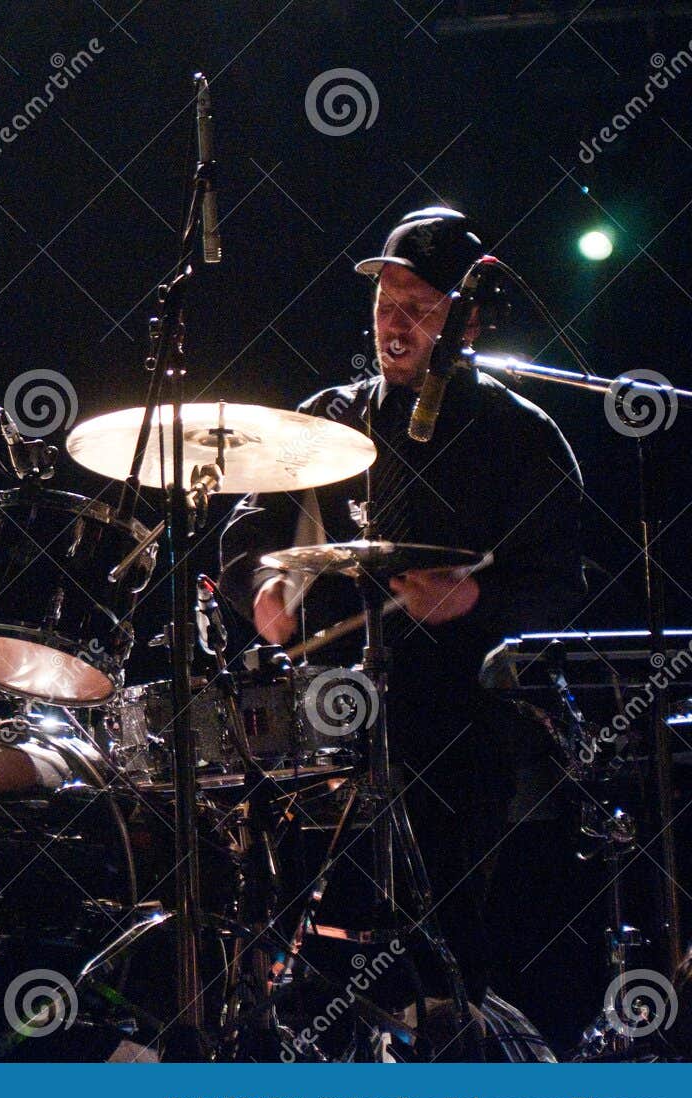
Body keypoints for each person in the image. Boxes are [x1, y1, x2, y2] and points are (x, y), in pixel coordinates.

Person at [218, 207, 586, 1035]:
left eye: (418, 303)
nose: (395, 320)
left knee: (441, 953)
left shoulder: (520, 437)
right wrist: (260, 594)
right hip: (331, 716)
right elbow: (247, 528)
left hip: (460, 724)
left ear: (465, 316)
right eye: (386, 300)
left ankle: (446, 1034)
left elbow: (561, 583)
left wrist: (476, 604)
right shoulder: (328, 421)